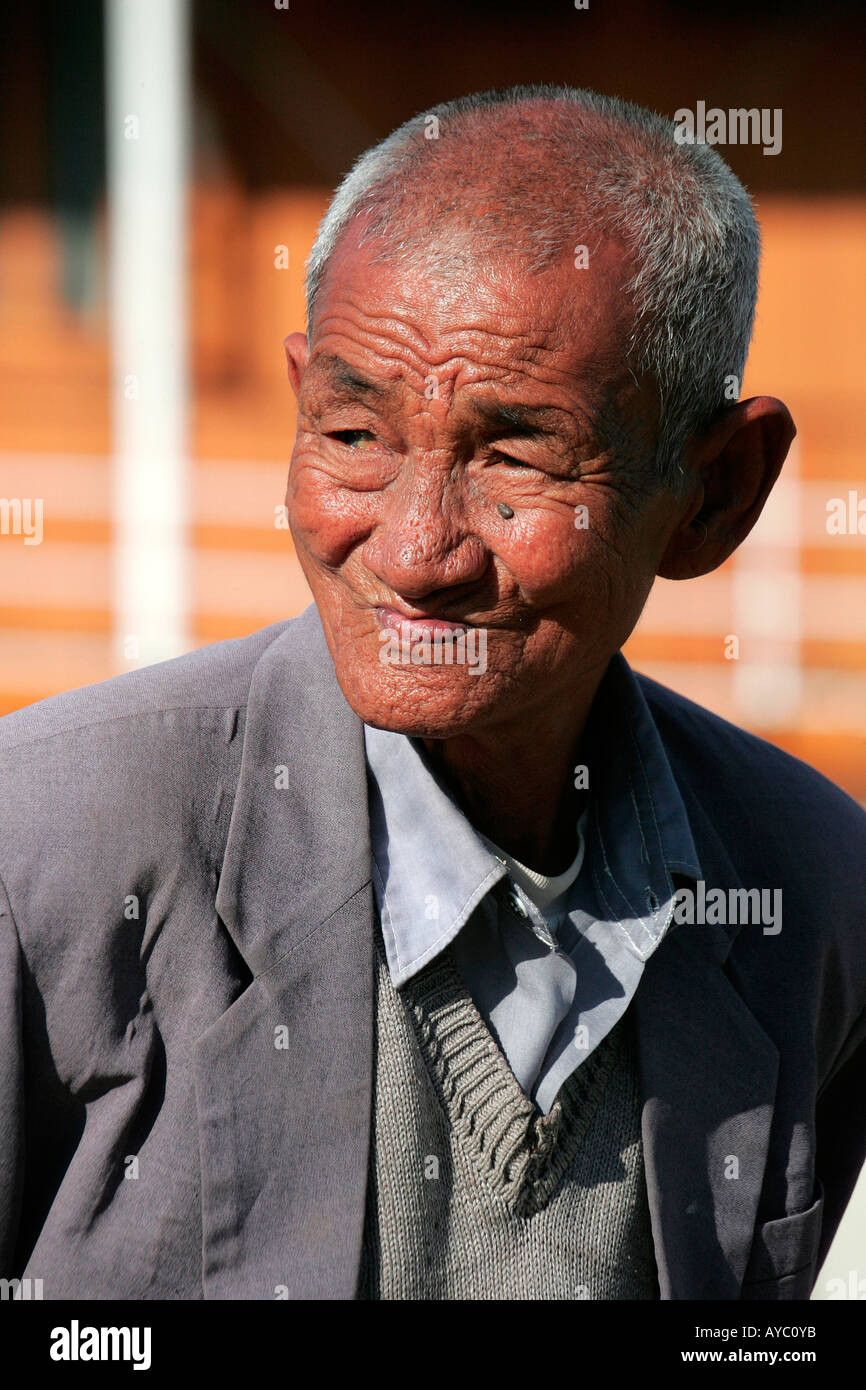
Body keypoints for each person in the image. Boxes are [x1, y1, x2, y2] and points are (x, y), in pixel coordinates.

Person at [1, 85, 864, 1301]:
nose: (413, 551)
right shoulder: (49, 850)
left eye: (513, 454)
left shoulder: (809, 892)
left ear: (717, 490)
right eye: (352, 436)